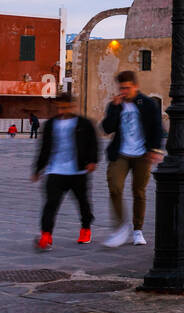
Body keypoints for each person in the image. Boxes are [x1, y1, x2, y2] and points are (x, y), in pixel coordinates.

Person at [101, 70, 164, 247]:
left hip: (142, 155)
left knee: (139, 191)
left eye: (127, 88)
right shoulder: (116, 105)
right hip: (120, 153)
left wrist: (155, 149)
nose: (124, 91)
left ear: (135, 86)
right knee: (114, 187)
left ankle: (138, 230)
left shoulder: (148, 104)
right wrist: (114, 108)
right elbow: (107, 128)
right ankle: (121, 228)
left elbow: (157, 127)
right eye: (121, 88)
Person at [32, 92, 99, 250]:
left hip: (78, 171)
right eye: (59, 108)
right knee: (50, 204)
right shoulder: (50, 125)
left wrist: (92, 161)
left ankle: (85, 229)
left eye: (65, 107)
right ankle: (46, 235)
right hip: (55, 170)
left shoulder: (84, 124)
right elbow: (44, 149)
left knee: (83, 203)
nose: (62, 111)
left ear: (72, 106)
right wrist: (38, 169)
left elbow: (93, 144)